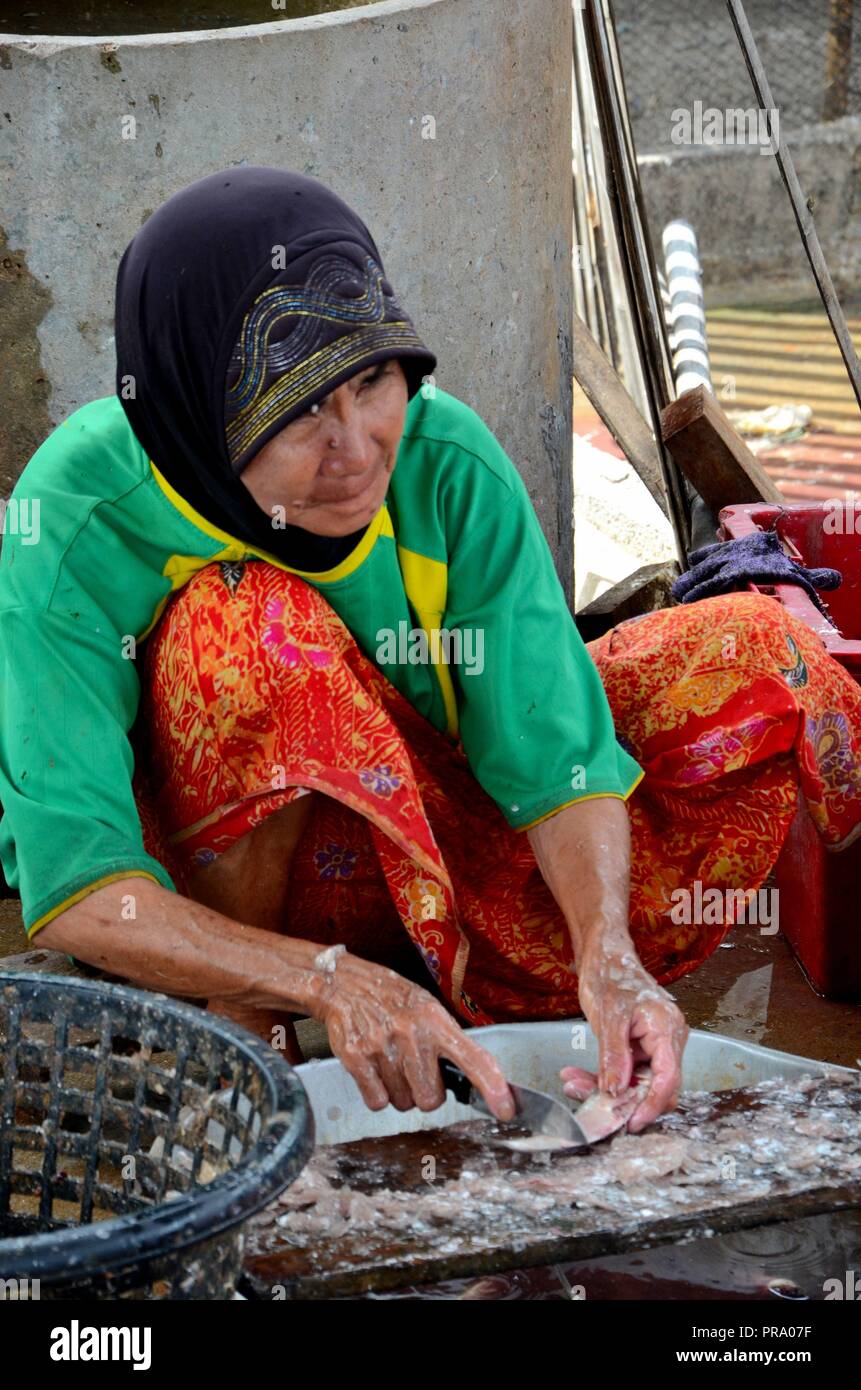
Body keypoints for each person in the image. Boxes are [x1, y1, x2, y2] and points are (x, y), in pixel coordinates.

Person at [2, 168, 859, 1135]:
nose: (359, 448)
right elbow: (76, 888)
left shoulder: (445, 459)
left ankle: (471, 983)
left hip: (447, 848)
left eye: (372, 382)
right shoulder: (75, 515)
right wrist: (316, 979)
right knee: (242, 622)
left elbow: (554, 757)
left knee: (762, 648)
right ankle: (248, 1014)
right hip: (237, 886)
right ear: (196, 419)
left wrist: (605, 953)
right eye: (297, 415)